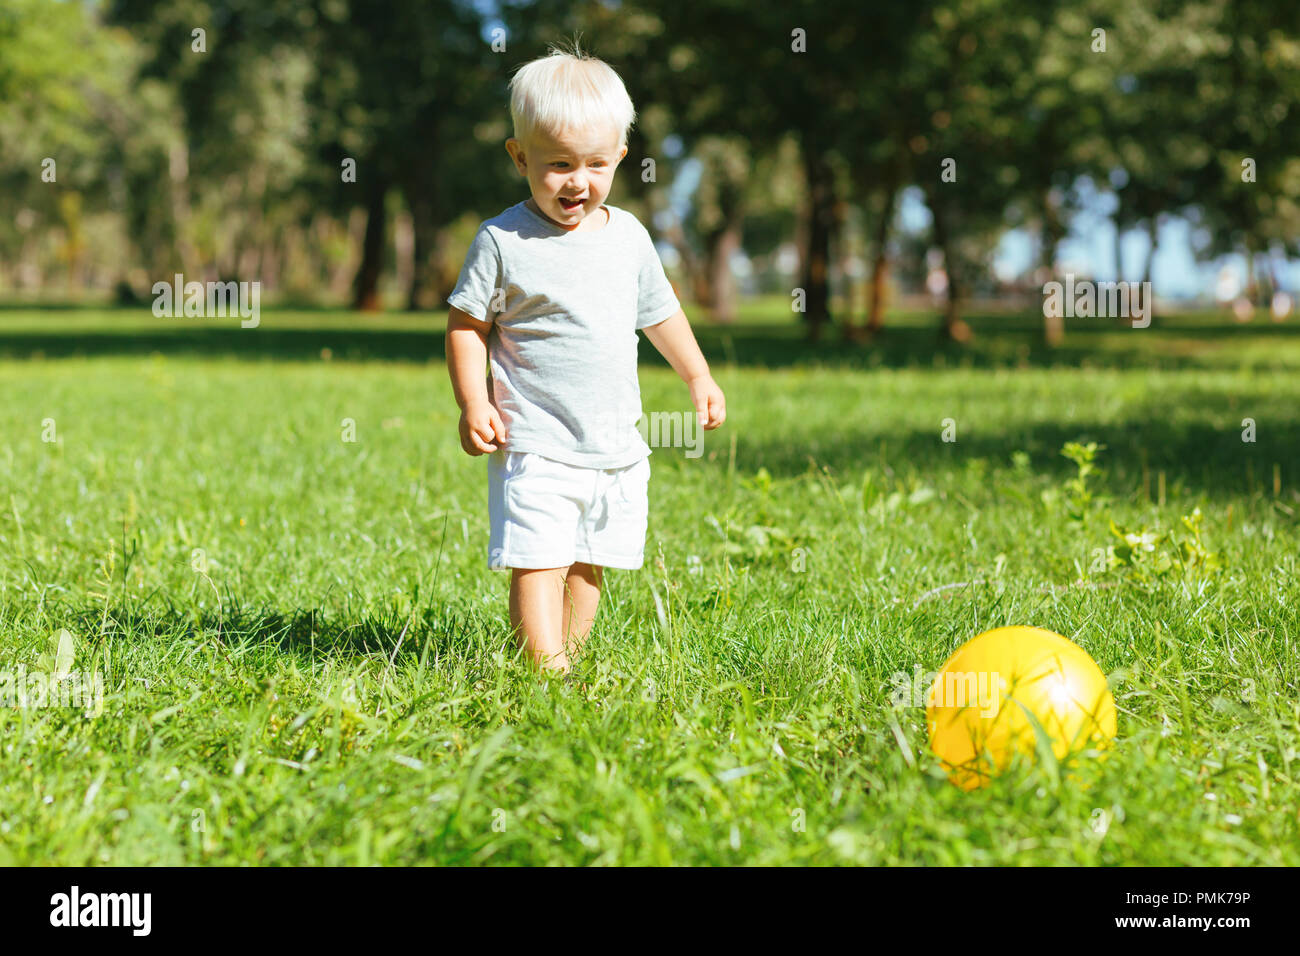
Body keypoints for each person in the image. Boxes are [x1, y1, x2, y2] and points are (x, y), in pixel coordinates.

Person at [446, 44, 726, 675]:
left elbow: (660, 313)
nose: (579, 181)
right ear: (520, 157)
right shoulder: (503, 241)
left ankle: (569, 658)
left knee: (589, 559)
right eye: (558, 164)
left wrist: (697, 374)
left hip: (614, 445)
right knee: (537, 558)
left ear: (620, 157)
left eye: (596, 163)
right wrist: (473, 401)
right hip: (535, 439)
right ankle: (544, 672)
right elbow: (466, 326)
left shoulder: (628, 237)